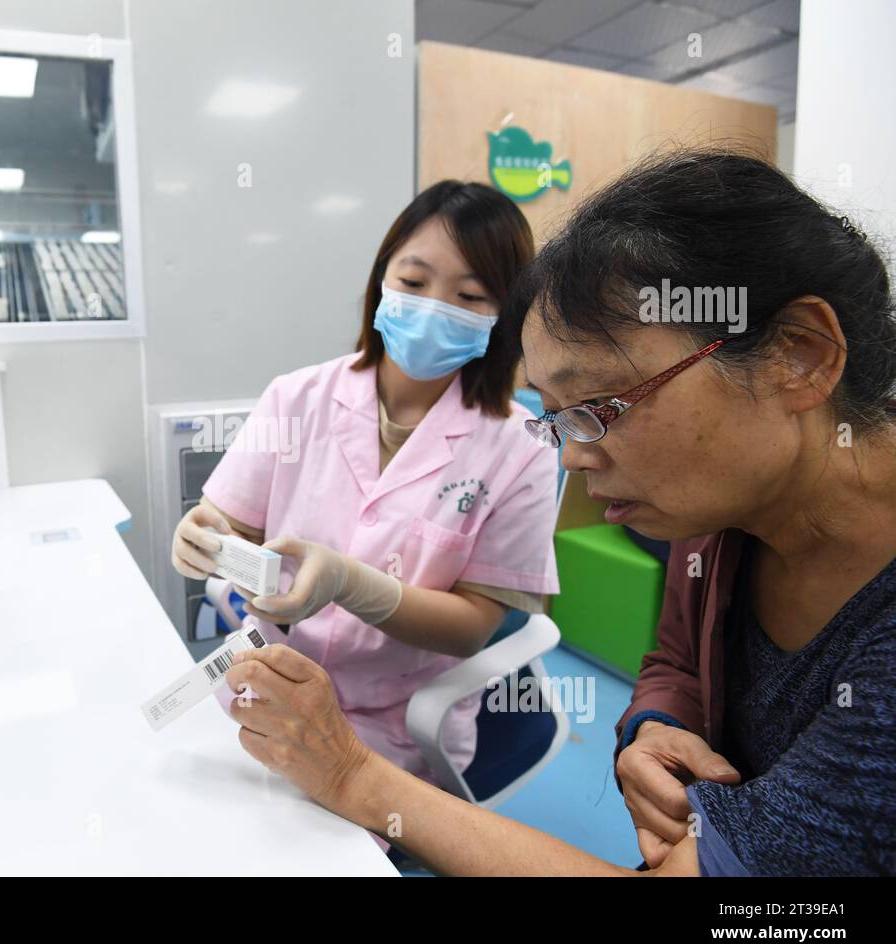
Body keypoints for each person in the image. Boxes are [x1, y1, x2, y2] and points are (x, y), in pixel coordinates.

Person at [220, 150, 896, 875]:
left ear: (797, 356)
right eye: (559, 417)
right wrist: (656, 725)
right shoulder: (716, 515)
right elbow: (676, 658)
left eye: (602, 406)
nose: (571, 458)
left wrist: (352, 771)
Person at [170, 181, 560, 789]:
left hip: (391, 723)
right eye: (413, 282)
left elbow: (472, 626)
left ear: (503, 316)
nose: (434, 306)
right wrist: (203, 537)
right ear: (382, 280)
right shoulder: (295, 397)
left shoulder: (523, 447)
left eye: (470, 295)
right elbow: (229, 525)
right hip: (263, 674)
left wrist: (354, 585)